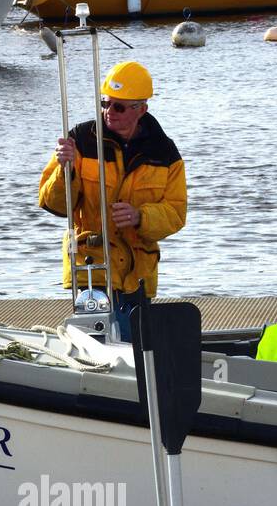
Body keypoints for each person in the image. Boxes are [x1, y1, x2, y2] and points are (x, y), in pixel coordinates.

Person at [38, 60, 187, 338]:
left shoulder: (165, 153)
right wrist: (64, 169)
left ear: (141, 109)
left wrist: (140, 216)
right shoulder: (80, 140)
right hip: (91, 268)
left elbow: (176, 214)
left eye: (118, 106)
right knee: (97, 345)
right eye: (105, 103)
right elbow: (53, 204)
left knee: (134, 348)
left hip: (137, 274)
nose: (109, 112)